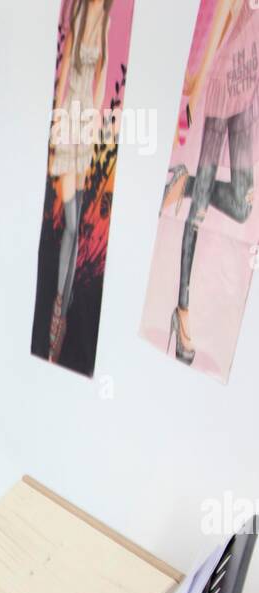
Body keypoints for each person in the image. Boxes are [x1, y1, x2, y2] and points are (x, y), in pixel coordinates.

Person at [161, 0, 259, 364]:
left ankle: (186, 185)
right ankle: (182, 312)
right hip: (221, 90)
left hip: (247, 99)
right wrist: (193, 94)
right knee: (198, 213)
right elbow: (219, 27)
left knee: (242, 205)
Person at [47, 0, 115, 363]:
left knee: (75, 226)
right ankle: (60, 305)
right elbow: (64, 76)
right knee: (71, 224)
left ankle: (64, 302)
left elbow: (102, 75)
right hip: (69, 116)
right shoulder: (76, 11)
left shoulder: (104, 16)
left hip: (86, 120)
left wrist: (95, 124)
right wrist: (56, 124)